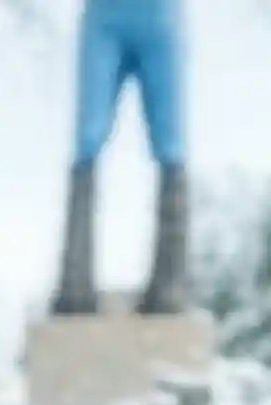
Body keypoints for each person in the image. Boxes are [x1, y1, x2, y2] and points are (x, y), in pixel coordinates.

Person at [52, 0, 188, 315]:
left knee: (170, 143)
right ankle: (75, 284)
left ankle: (170, 283)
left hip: (159, 18)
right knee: (88, 137)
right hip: (105, 19)